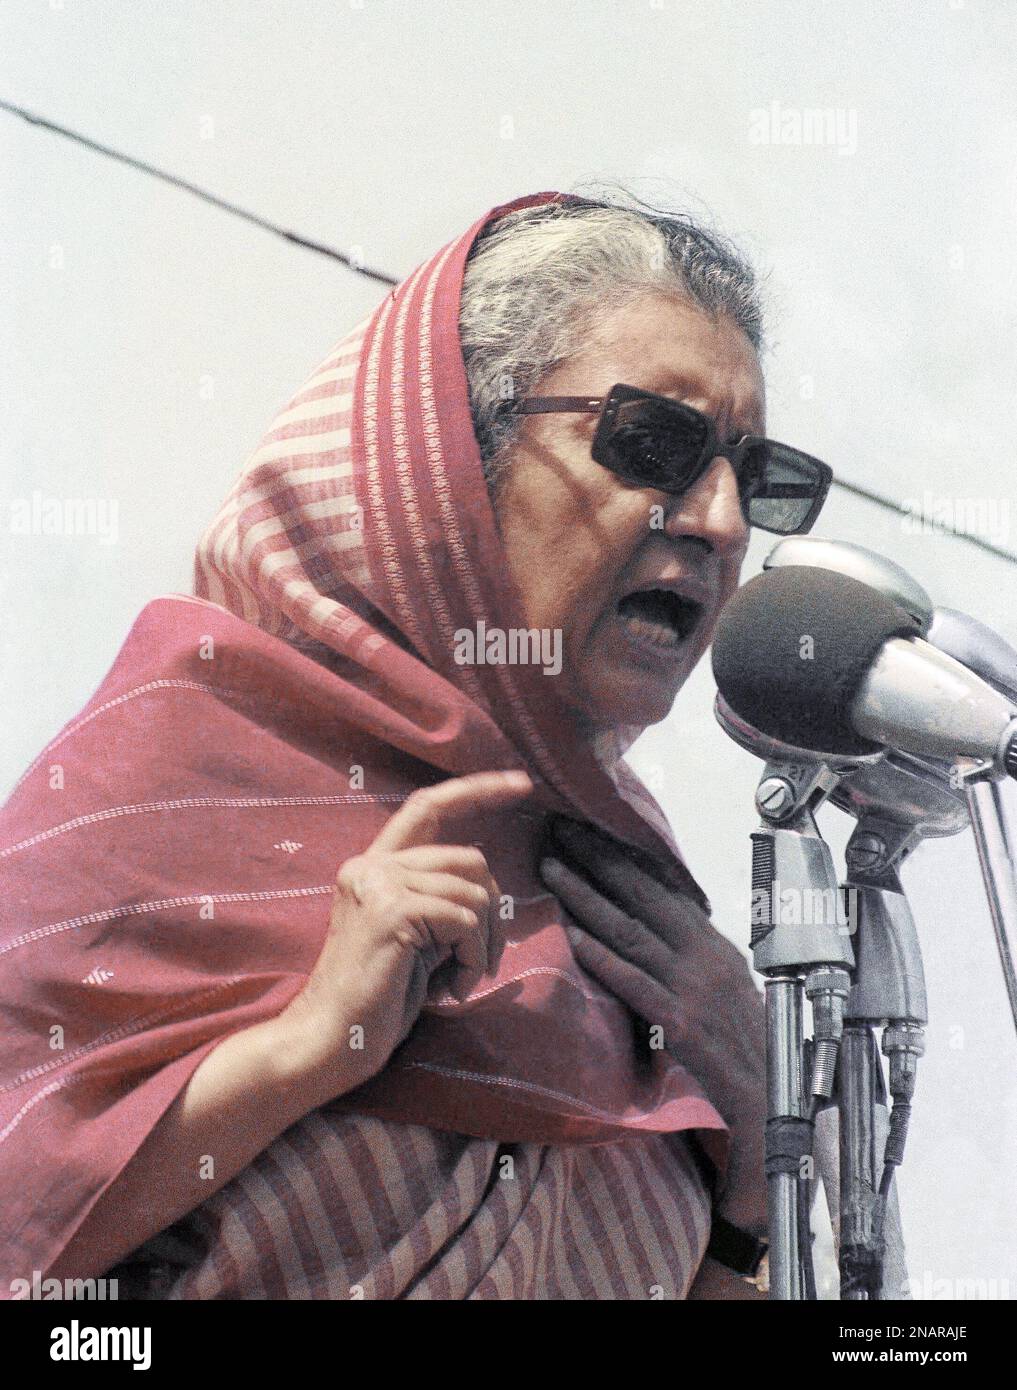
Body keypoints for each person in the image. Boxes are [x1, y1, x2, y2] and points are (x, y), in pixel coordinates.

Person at [0, 189, 832, 1299]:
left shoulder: (637, 914)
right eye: (659, 444)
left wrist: (750, 1174)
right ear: (446, 458)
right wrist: (302, 1051)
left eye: (755, 476)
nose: (723, 520)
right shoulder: (162, 785)